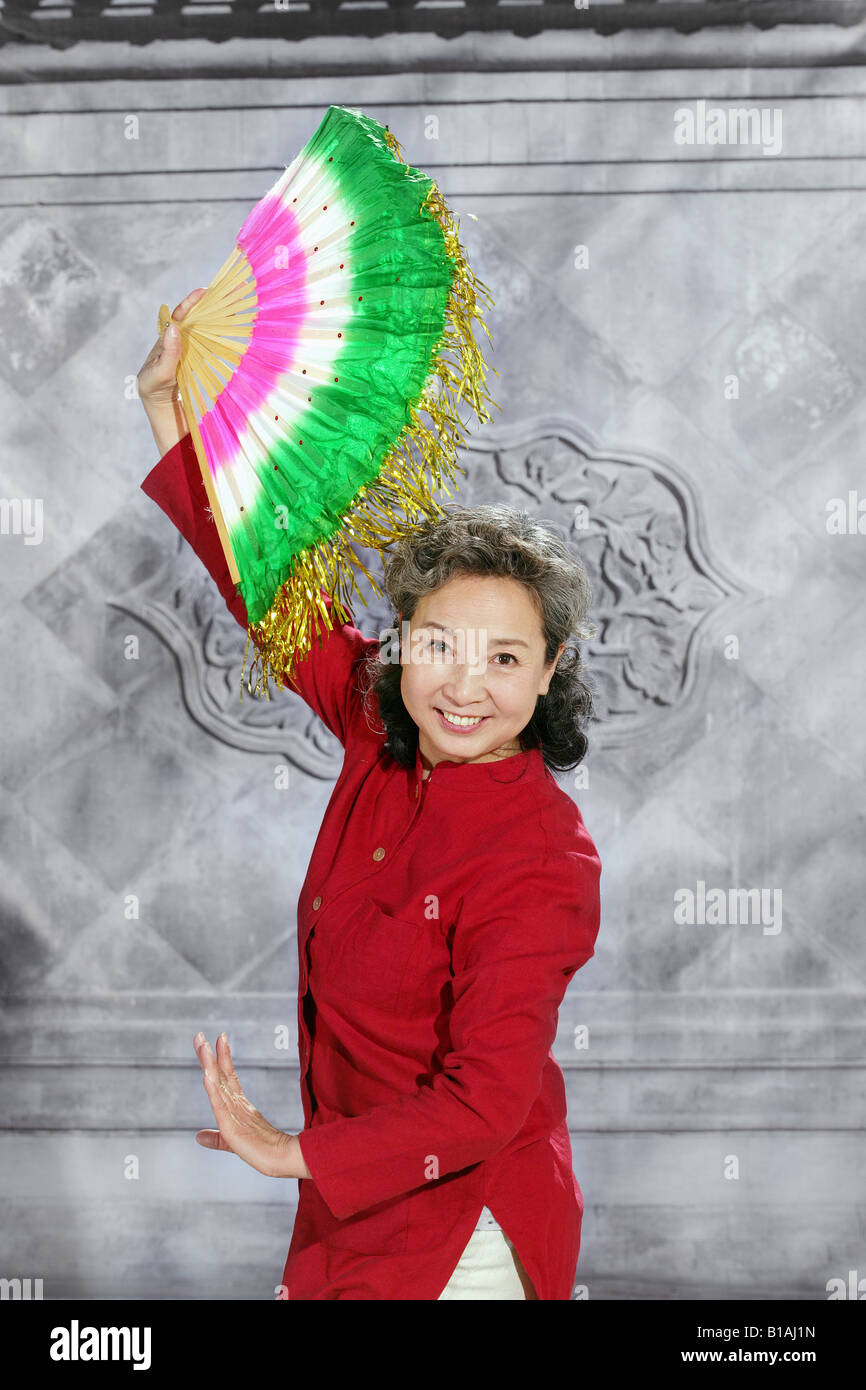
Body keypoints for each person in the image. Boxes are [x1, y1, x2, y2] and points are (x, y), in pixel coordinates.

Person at [135, 290, 602, 1300]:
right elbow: (267, 584)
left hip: (459, 1230)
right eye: (436, 645)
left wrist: (289, 1151)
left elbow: (481, 1105)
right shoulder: (374, 723)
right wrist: (170, 417)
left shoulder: (543, 860)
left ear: (547, 670)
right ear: (400, 648)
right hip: (350, 1214)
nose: (463, 685)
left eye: (502, 657)